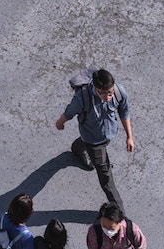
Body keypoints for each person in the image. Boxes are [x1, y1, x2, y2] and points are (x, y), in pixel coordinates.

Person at [55, 69, 133, 212]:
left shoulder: (119, 91)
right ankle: (120, 211)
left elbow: (124, 112)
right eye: (102, 93)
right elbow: (69, 112)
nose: (107, 97)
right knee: (106, 177)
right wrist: (60, 122)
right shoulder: (82, 98)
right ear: (94, 88)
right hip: (93, 141)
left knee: (93, 146)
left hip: (108, 134)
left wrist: (129, 137)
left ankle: (77, 148)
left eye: (109, 92)